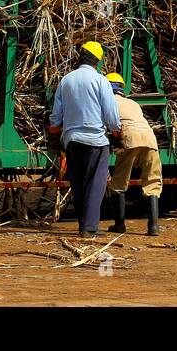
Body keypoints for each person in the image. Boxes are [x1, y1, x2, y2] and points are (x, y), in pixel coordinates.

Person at [48, 41, 121, 235]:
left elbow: (56, 114)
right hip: (96, 140)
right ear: (98, 60)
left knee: (78, 183)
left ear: (80, 56)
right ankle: (89, 228)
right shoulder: (100, 80)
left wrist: (54, 134)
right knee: (95, 184)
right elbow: (111, 114)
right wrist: (116, 133)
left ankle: (83, 224)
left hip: (71, 139)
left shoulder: (66, 80)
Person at [105, 72, 163, 236]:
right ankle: (153, 227)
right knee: (152, 182)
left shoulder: (108, 102)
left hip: (130, 138)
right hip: (150, 139)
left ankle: (120, 225)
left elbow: (109, 125)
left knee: (119, 183)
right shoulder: (133, 103)